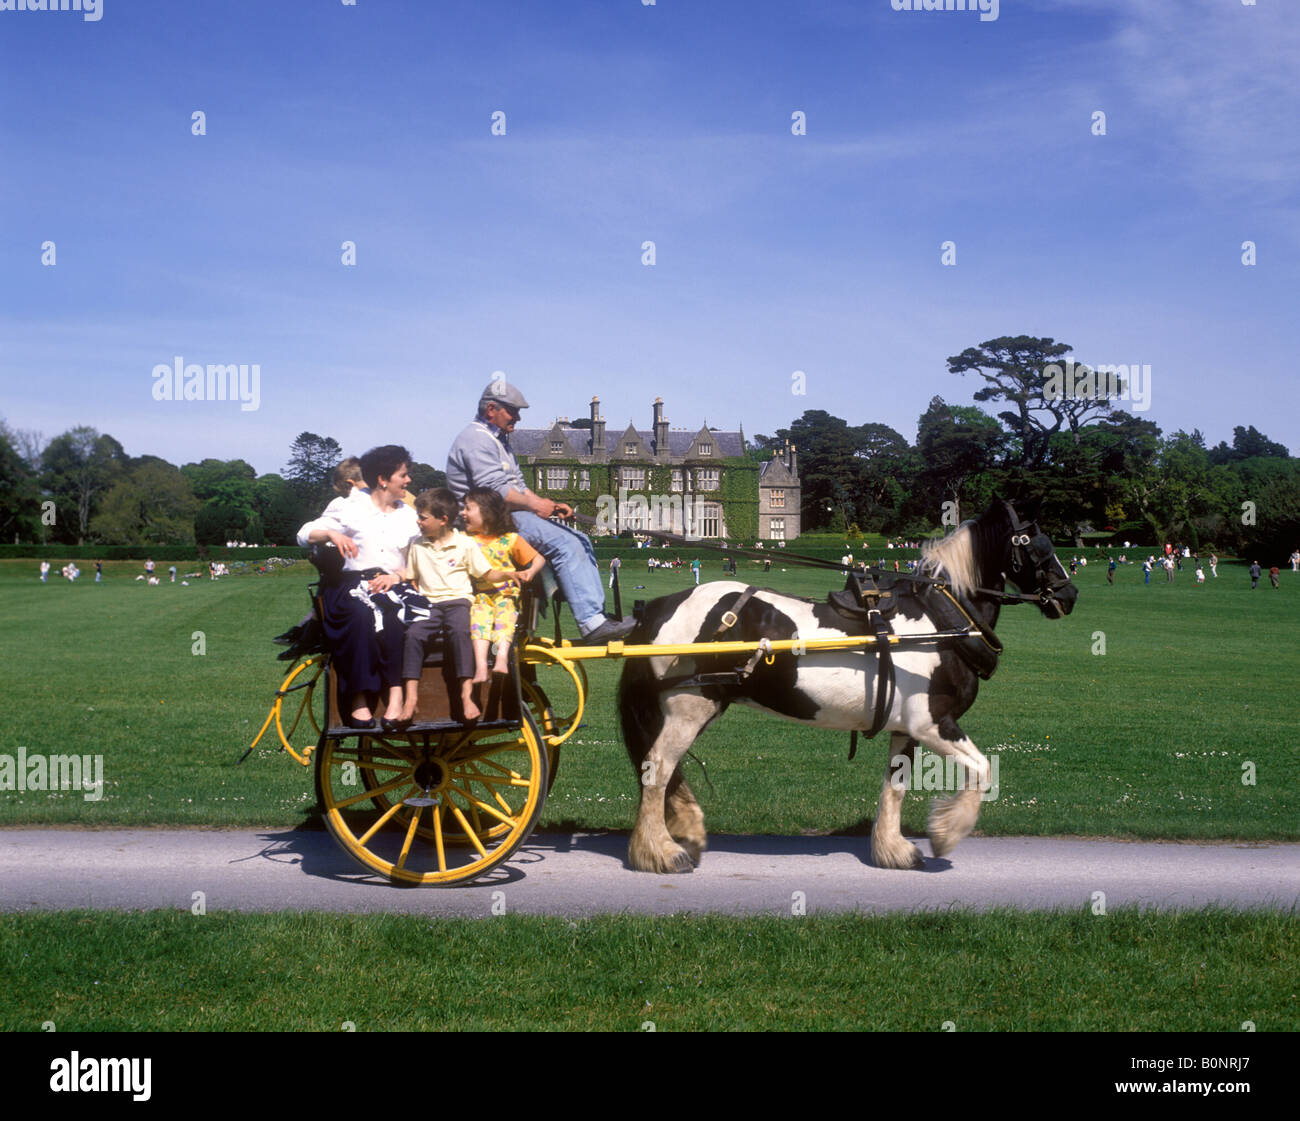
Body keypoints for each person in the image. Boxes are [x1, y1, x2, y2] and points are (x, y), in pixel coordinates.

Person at [446, 380, 633, 644]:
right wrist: (536, 506)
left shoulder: (499, 442)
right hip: (488, 521)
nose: (518, 417)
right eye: (513, 411)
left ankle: (596, 616)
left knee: (581, 539)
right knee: (564, 543)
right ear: (491, 409)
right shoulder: (475, 438)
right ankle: (590, 624)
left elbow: (519, 487)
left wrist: (550, 505)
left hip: (506, 514)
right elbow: (494, 490)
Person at [297, 445, 421, 728]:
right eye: (404, 475)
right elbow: (304, 534)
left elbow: (421, 556)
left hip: (393, 583)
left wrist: (399, 576)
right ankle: (358, 699)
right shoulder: (348, 507)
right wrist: (330, 533)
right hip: (352, 585)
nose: (408, 481)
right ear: (383, 479)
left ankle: (395, 694)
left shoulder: (408, 516)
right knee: (360, 615)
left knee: (394, 614)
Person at [396, 488, 518, 724]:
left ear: (442, 520)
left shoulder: (465, 544)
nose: (418, 521)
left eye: (423, 517)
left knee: (461, 631)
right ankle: (410, 700)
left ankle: (466, 695)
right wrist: (394, 579)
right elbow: (411, 577)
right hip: (429, 604)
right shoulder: (417, 545)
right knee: (413, 636)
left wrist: (509, 574)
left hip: (458, 602)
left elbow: (487, 573)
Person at [462, 487, 545, 685]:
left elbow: (539, 559)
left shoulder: (510, 539)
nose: (462, 513)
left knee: (505, 619)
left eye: (467, 509)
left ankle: (501, 659)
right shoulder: (466, 542)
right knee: (478, 622)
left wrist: (530, 572)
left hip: (507, 595)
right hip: (481, 595)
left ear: (487, 513)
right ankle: (482, 667)